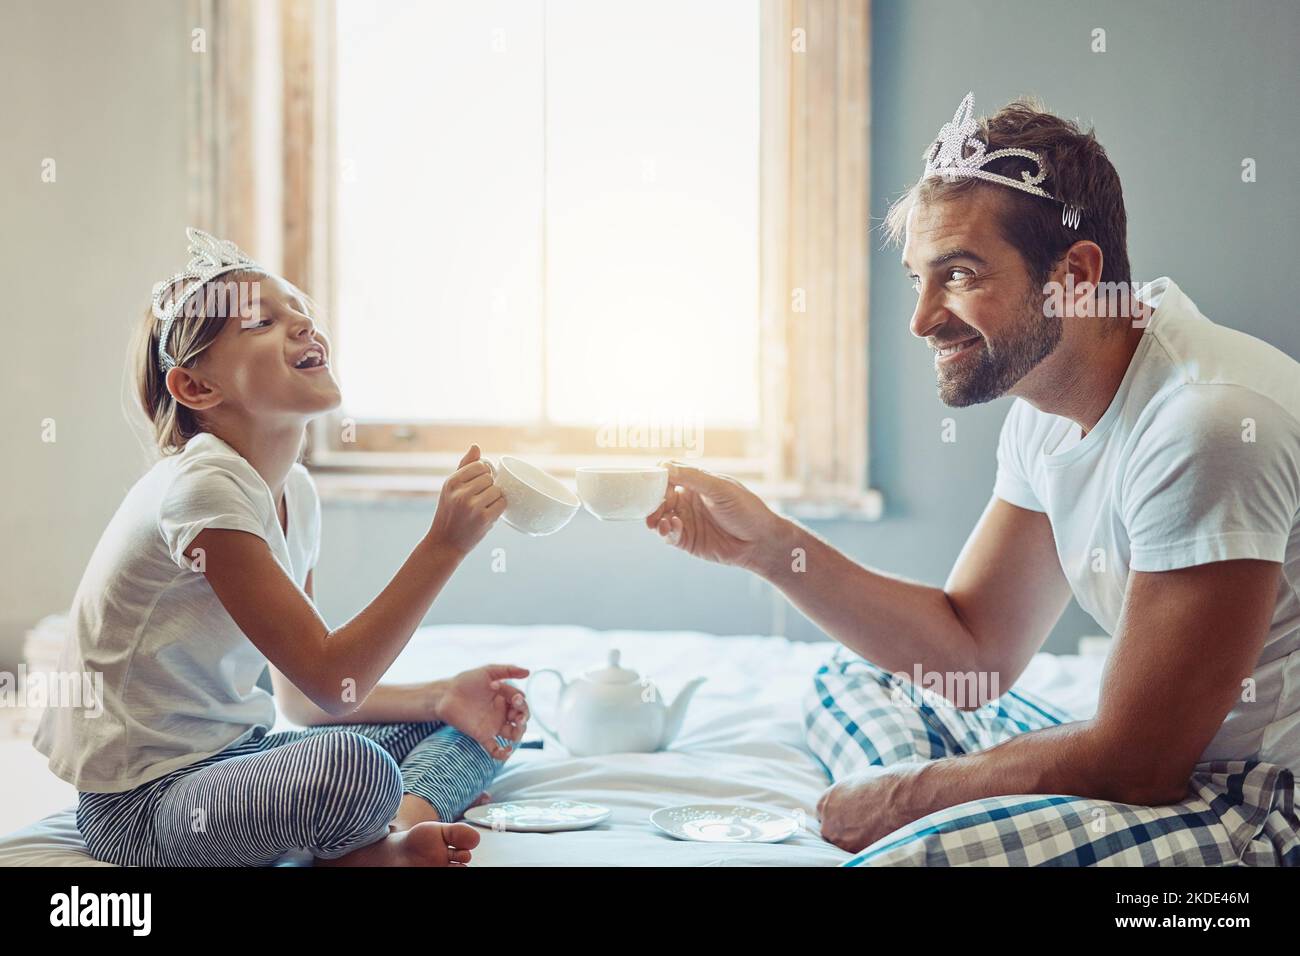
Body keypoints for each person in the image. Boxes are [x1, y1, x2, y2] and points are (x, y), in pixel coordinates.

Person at [646, 93, 1300, 866]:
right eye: (918, 279)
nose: (922, 320)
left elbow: (1138, 765)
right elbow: (971, 658)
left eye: (957, 275)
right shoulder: (1048, 399)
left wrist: (912, 795)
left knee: (907, 858)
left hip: (1251, 797)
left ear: (1076, 274)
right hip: (1152, 758)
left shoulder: (1205, 424)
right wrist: (769, 548)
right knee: (862, 675)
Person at [34, 228, 530, 867]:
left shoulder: (294, 490)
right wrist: (445, 545)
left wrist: (440, 697)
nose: (301, 325)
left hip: (243, 762)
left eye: (302, 312)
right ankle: (375, 846)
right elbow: (334, 682)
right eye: (263, 321)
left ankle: (385, 832)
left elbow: (298, 697)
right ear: (196, 388)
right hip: (146, 807)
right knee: (353, 766)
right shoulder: (203, 485)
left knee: (467, 726)